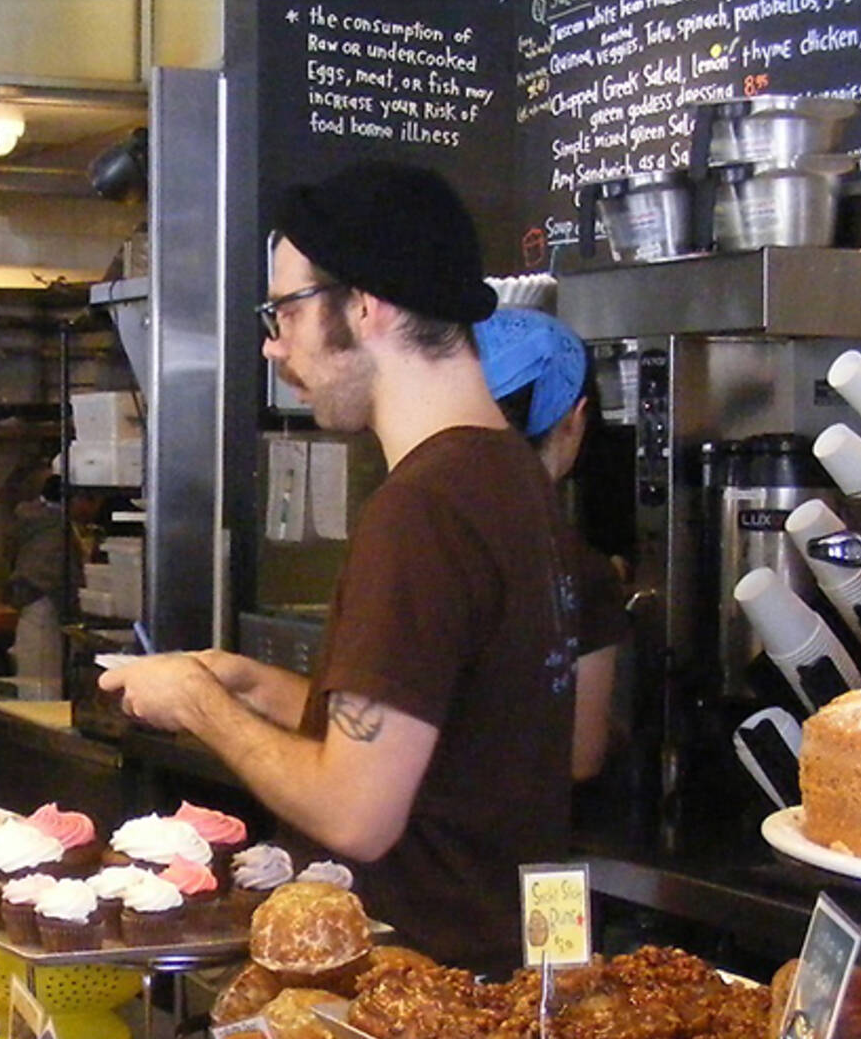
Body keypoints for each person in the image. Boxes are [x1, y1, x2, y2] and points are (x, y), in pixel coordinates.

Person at [100, 161, 580, 975]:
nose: (272, 342)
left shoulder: (422, 509)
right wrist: (257, 687)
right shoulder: (509, 475)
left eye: (286, 308)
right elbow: (440, 740)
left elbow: (357, 814)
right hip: (489, 974)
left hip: (411, 993)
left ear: (366, 305)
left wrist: (199, 706)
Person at [474, 305, 632, 781]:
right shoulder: (580, 569)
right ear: (575, 418)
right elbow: (579, 758)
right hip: (514, 838)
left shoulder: (426, 529)